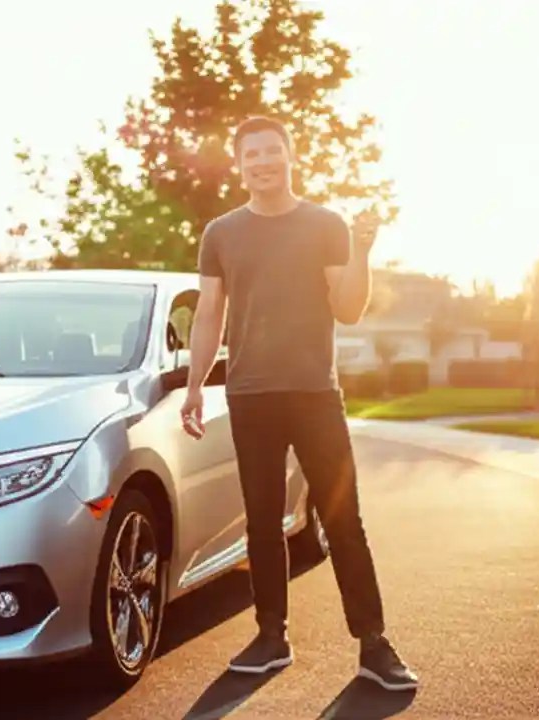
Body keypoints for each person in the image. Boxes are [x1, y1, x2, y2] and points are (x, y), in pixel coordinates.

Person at [178, 115, 418, 692]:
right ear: (239, 165)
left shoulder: (326, 224)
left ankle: (374, 645)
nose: (262, 162)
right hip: (250, 395)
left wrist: (361, 251)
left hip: (314, 394)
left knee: (343, 520)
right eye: (250, 154)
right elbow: (211, 314)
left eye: (271, 151)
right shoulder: (221, 233)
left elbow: (349, 309)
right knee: (261, 524)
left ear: (290, 155)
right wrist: (193, 385)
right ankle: (271, 637)